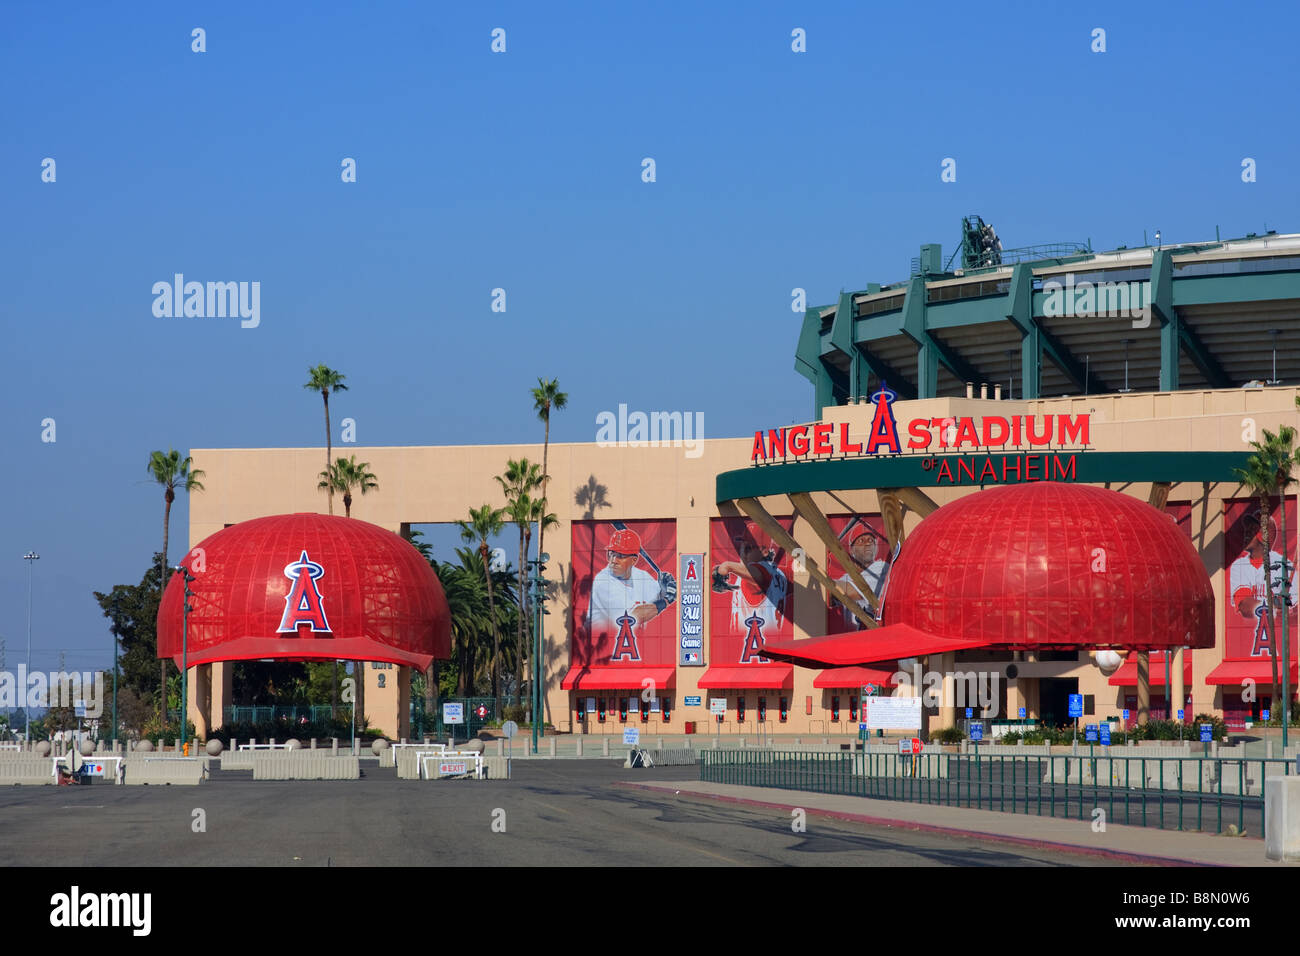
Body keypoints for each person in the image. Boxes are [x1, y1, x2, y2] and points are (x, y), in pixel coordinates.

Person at [589, 528, 676, 661]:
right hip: (599, 651)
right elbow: (634, 616)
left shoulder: (642, 576)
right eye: (611, 554)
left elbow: (656, 602)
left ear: (634, 560)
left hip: (633, 650)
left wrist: (665, 588)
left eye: (620, 556)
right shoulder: (603, 581)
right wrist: (667, 599)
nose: (613, 560)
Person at [1229, 510, 1297, 657]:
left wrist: (1287, 609)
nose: (1246, 533)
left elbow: (1294, 607)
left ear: (1263, 537)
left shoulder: (1284, 564)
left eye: (1252, 530)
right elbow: (1244, 606)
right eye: (1247, 530)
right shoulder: (1239, 566)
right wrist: (1274, 606)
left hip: (1280, 642)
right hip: (1245, 644)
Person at [713, 535, 789, 641]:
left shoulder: (760, 572)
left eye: (749, 548)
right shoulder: (779, 572)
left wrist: (726, 566)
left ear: (765, 552)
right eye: (742, 546)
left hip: (751, 649)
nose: (743, 552)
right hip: (771, 642)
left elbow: (757, 575)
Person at [834, 529, 890, 629]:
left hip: (874, 633)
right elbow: (832, 597)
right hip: (850, 635)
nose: (867, 543)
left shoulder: (881, 567)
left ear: (876, 548)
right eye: (861, 541)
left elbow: (854, 593)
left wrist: (828, 585)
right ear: (852, 550)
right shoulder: (846, 577)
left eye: (871, 540)